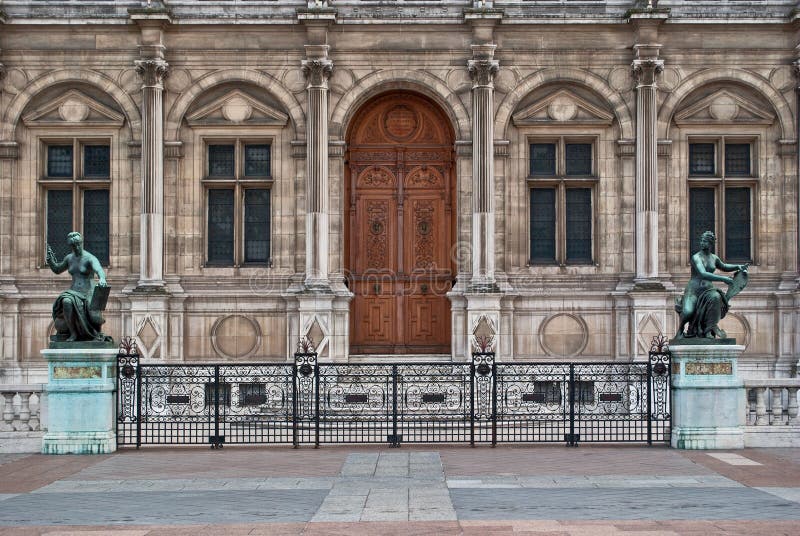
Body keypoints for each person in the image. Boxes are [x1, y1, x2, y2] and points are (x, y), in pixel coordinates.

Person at [675, 231, 747, 339]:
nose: (702, 243)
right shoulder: (696, 257)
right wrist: (723, 279)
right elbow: (703, 273)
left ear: (710, 243)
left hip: (708, 290)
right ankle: (680, 330)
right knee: (688, 312)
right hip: (693, 290)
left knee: (716, 298)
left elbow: (724, 266)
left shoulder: (714, 258)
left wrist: (738, 266)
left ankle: (709, 330)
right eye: (701, 241)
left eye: (704, 241)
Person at [46, 231, 108, 342]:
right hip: (73, 291)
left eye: (78, 244)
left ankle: (95, 333)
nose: (77, 247)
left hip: (88, 290)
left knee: (92, 314)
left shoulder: (89, 258)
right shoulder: (69, 258)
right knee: (66, 302)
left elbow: (99, 270)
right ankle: (73, 333)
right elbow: (57, 269)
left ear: (82, 243)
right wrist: (50, 261)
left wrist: (102, 278)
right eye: (74, 245)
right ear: (71, 246)